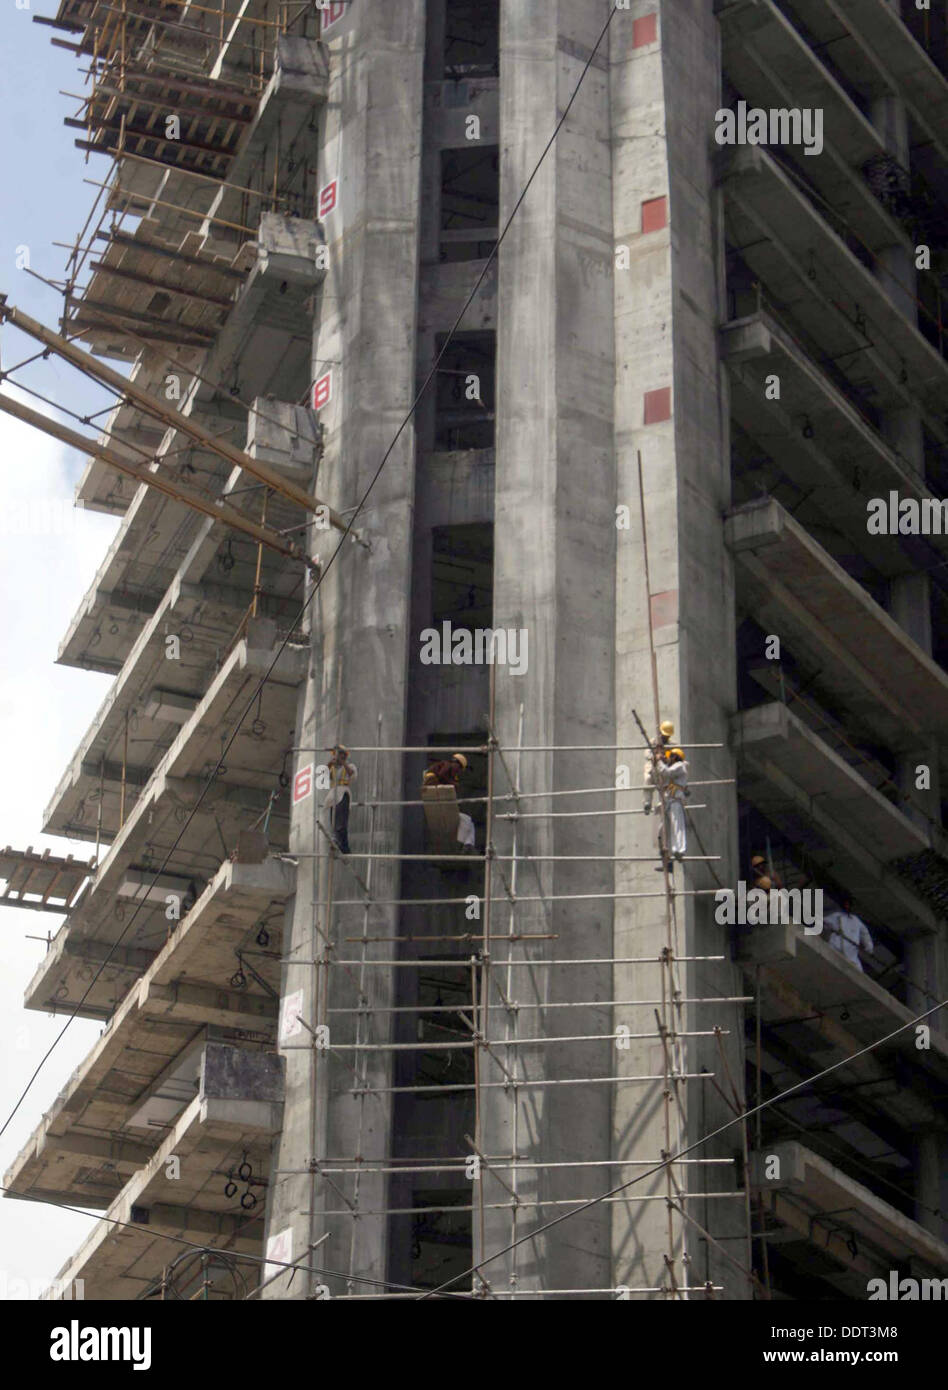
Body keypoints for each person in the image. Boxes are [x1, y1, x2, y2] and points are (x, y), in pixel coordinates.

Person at [423, 753, 476, 852]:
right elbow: (442, 774)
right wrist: (453, 783)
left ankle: (467, 844)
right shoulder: (447, 765)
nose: (459, 771)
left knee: (467, 821)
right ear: (456, 763)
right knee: (466, 820)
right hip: (432, 781)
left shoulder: (450, 771)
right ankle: (464, 843)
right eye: (459, 768)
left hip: (440, 794)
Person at [823, 896, 873, 972]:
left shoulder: (857, 921)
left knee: (858, 973)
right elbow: (822, 923)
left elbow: (865, 935)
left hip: (851, 954)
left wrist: (868, 948)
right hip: (835, 948)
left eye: (849, 905)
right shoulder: (836, 916)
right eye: (846, 905)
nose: (847, 907)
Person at [325, 744, 357, 854]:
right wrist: (330, 763)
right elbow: (324, 776)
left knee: (341, 820)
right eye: (338, 755)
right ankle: (344, 846)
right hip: (333, 795)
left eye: (342, 755)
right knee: (334, 819)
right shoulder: (332, 767)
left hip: (343, 793)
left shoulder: (350, 766)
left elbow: (352, 774)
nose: (340, 757)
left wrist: (343, 763)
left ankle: (339, 841)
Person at [643, 719, 675, 816]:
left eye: (667, 735)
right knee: (648, 780)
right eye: (665, 734)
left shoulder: (671, 745)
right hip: (652, 768)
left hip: (663, 769)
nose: (665, 737)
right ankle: (647, 803)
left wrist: (665, 758)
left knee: (665, 788)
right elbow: (646, 753)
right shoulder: (653, 742)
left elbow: (673, 757)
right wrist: (654, 757)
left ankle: (663, 807)